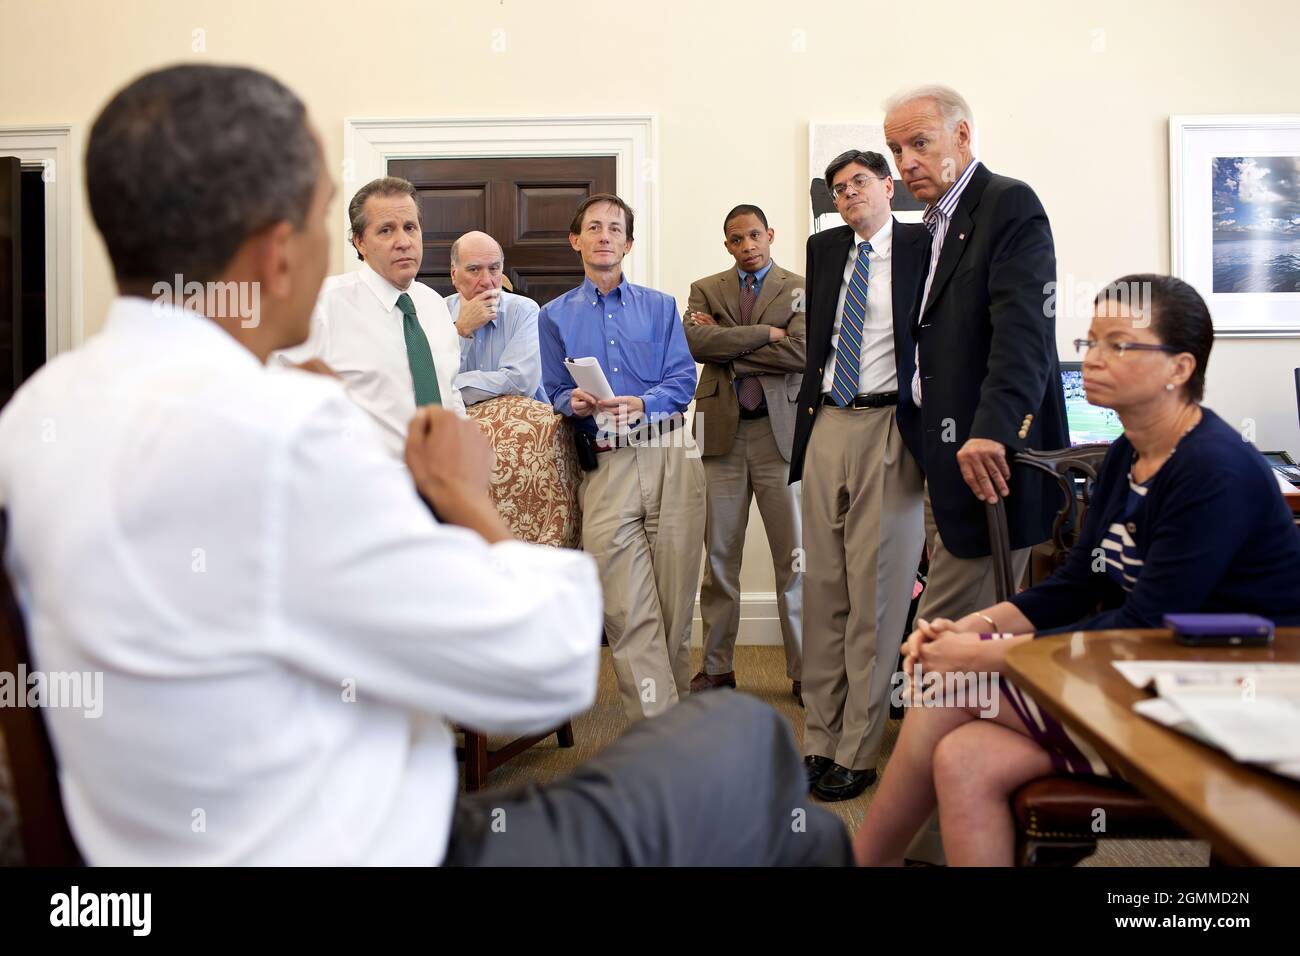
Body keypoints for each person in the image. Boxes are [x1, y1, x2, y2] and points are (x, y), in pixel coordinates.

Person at [0, 64, 851, 867]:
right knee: (748, 744)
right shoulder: (290, 437)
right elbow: (540, 668)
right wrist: (464, 496)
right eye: (331, 216)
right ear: (276, 246)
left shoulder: (36, 415)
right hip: (378, 843)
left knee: (789, 826)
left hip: (154, 842)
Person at [852, 275, 1300, 867]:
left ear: (1180, 367)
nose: (1091, 359)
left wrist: (982, 656)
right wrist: (976, 627)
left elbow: (1146, 626)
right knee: (966, 759)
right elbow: (1077, 583)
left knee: (946, 694)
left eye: (1118, 345)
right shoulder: (1127, 454)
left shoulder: (1212, 469)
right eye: (1089, 343)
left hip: (1231, 697)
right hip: (1152, 676)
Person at [883, 84, 1068, 859]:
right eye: (895, 150)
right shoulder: (929, 227)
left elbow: (1025, 332)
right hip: (937, 457)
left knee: (946, 651)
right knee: (955, 648)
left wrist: (992, 430)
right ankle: (970, 826)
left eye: (919, 144)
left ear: (962, 134)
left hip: (985, 464)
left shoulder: (1008, 206)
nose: (905, 162)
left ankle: (926, 845)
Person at [787, 150, 932, 802]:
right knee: (821, 589)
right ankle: (818, 739)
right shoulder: (824, 251)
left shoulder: (924, 245)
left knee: (876, 594)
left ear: (887, 186)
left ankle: (858, 748)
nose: (848, 195)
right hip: (825, 424)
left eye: (859, 184)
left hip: (890, 427)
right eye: (838, 188)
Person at [539, 193, 705, 722]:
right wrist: (573, 400)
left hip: (670, 456)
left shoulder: (660, 307)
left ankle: (668, 723)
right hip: (606, 466)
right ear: (577, 240)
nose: (604, 235)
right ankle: (660, 739)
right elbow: (551, 389)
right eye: (594, 227)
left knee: (675, 609)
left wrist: (643, 402)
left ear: (629, 243)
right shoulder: (553, 316)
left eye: (615, 228)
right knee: (627, 610)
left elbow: (683, 381)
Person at [684, 204, 807, 703]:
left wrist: (729, 348)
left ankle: (804, 671)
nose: (747, 245)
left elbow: (802, 352)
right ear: (727, 244)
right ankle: (716, 668)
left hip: (781, 435)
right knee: (718, 559)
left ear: (769, 234)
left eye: (755, 235)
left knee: (795, 558)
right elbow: (696, 342)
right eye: (737, 238)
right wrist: (765, 334)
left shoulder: (800, 286)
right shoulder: (705, 288)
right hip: (723, 437)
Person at [276, 176, 466, 457]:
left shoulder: (435, 306)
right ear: (360, 242)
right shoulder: (322, 305)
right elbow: (279, 397)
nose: (403, 242)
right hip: (362, 486)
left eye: (410, 228)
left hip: (444, 484)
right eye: (386, 230)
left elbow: (449, 393)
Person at [445, 230, 547, 405]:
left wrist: (452, 387)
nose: (486, 280)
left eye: (494, 269)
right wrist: (461, 330)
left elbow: (520, 383)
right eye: (474, 269)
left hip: (517, 426)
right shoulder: (437, 312)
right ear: (454, 275)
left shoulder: (524, 311)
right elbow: (429, 381)